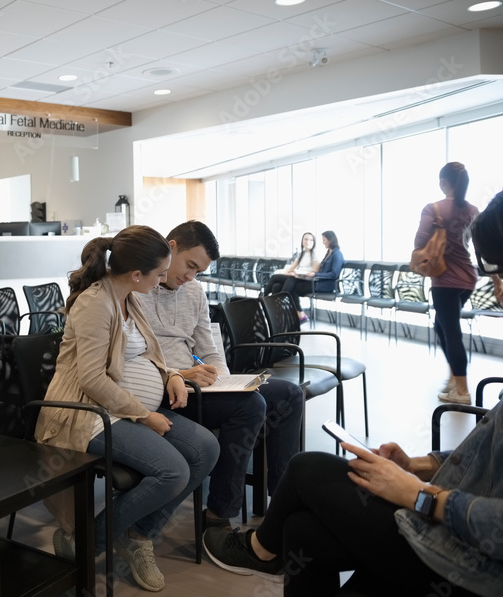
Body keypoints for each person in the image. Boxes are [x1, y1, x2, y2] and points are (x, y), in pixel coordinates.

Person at [202, 191, 503, 597]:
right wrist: (419, 465)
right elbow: (489, 459)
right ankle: (266, 549)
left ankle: (259, 551)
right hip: (446, 522)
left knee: (307, 468)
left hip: (466, 560)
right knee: (300, 530)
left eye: (500, 275)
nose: (497, 293)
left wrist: (420, 497)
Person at [35, 225, 219, 592]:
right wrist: (144, 414)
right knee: (173, 472)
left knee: (205, 449)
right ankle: (90, 542)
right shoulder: (95, 303)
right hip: (89, 415)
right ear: (137, 274)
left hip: (126, 411)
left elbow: (149, 351)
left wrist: (169, 374)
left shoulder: (129, 297)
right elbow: (90, 380)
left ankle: (137, 535)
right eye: (159, 273)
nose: (164, 280)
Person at [136, 221, 303, 531]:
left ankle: (281, 500)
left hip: (198, 387)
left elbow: (210, 350)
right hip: (163, 390)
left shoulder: (194, 291)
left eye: (198, 271)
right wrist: (184, 374)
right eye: (190, 265)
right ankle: (218, 515)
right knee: (251, 407)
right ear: (171, 247)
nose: (190, 276)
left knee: (288, 395)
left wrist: (227, 382)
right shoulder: (139, 287)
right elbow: (133, 361)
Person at [415, 162, 480, 404]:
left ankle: (461, 391)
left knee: (451, 331)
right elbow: (482, 246)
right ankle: (454, 377)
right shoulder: (473, 210)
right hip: (468, 279)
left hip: (444, 280)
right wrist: (496, 280)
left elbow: (419, 241)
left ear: (444, 183)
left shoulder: (434, 208)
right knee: (441, 328)